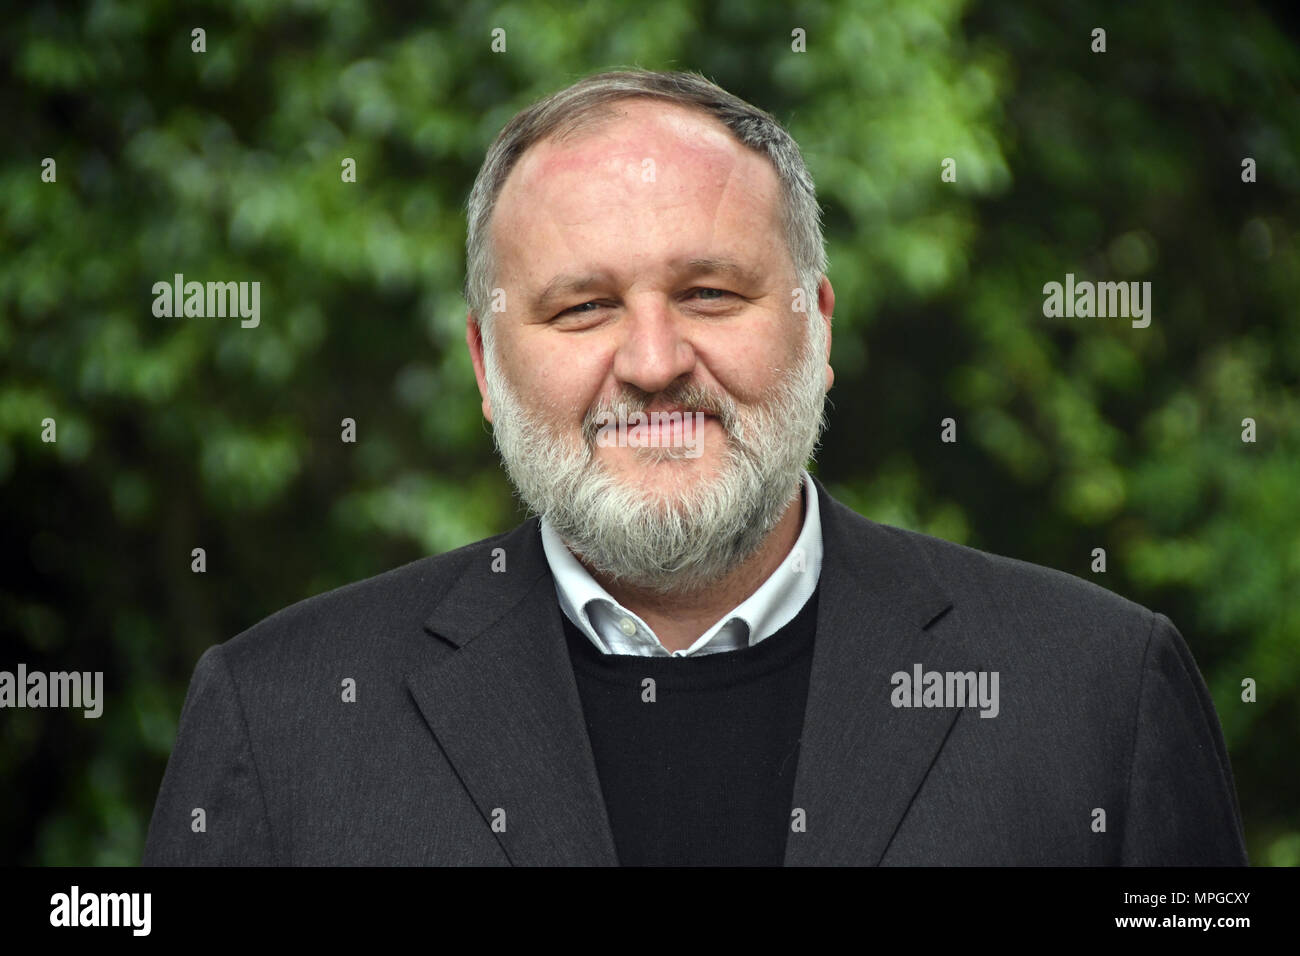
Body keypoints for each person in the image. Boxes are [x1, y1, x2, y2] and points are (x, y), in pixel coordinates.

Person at [142, 69, 1248, 866]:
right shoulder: (278, 716)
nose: (656, 361)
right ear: (485, 364)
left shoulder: (1099, 694)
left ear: (816, 326)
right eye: (582, 307)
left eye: (711, 293)